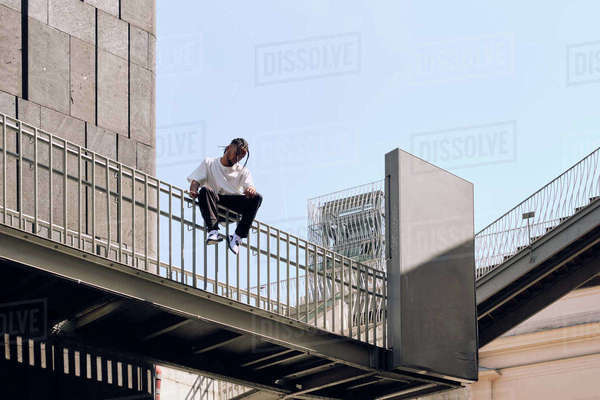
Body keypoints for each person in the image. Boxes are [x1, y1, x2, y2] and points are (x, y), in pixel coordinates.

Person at [187, 138, 262, 255]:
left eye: (241, 157)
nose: (237, 159)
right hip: (215, 204)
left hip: (233, 207)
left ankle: (237, 237)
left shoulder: (243, 171)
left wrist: (250, 190)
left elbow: (249, 186)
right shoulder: (209, 163)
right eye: (236, 154)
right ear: (228, 148)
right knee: (205, 190)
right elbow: (196, 180)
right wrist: (193, 190)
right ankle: (213, 231)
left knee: (257, 197)